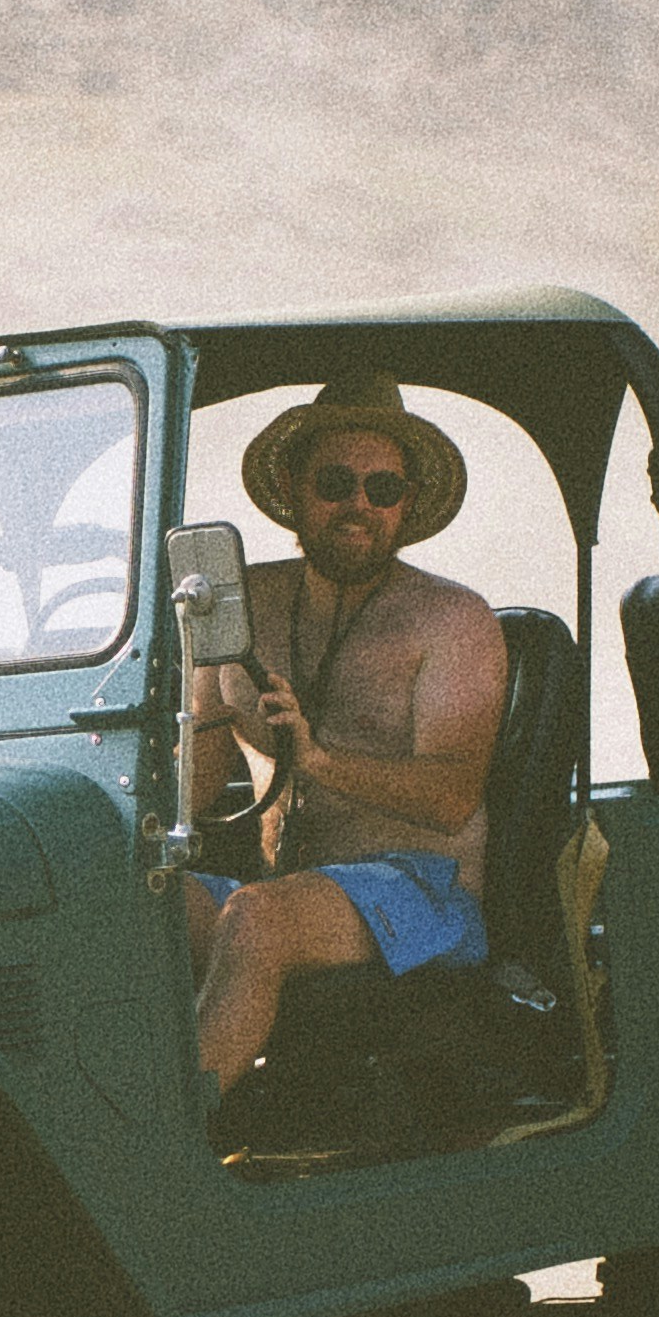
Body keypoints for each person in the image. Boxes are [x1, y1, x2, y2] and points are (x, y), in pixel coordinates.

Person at [183, 375, 509, 1112]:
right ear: (296, 490)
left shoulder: (451, 619)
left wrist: (320, 760)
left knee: (255, 921)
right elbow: (196, 788)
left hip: (423, 889)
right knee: (132, 910)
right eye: (335, 483)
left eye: (382, 487)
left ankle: (164, 1142)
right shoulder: (241, 607)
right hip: (287, 892)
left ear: (406, 503)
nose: (358, 504)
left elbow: (452, 797)